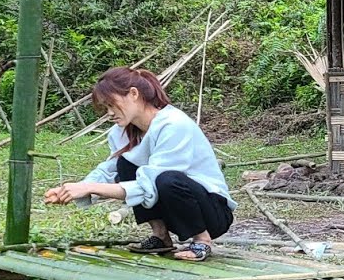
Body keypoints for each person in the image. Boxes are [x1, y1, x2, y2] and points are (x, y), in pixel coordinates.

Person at [43, 67, 234, 261]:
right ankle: (160, 236)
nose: (109, 113)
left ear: (134, 94)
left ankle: (202, 240)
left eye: (111, 105)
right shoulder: (122, 132)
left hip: (211, 213)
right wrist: (73, 189)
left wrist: (91, 188)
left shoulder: (174, 124)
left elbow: (150, 183)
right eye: (105, 108)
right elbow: (109, 170)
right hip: (176, 212)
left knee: (167, 179)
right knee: (126, 164)